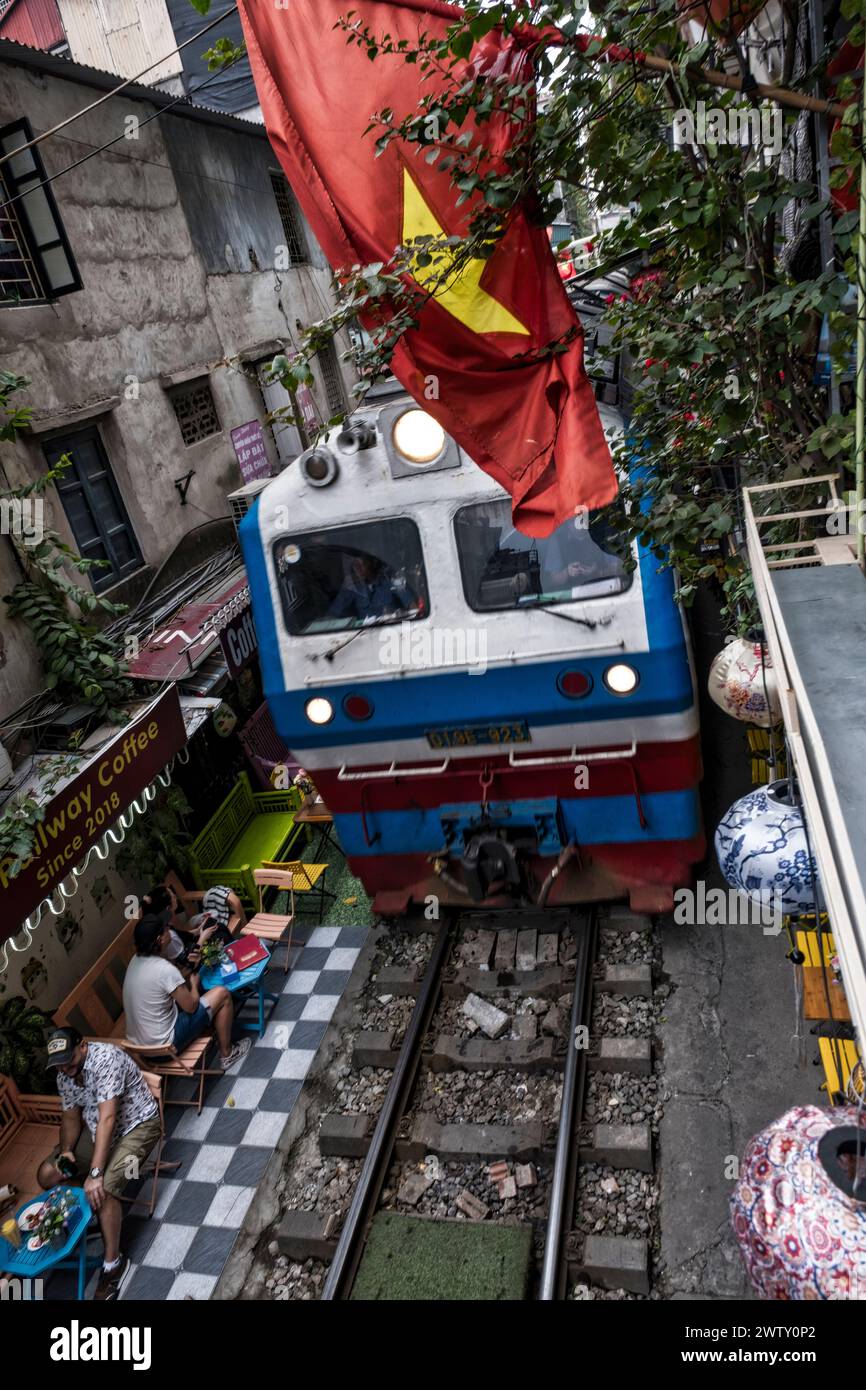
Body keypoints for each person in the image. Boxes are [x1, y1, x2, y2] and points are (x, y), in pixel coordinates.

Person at [37, 1027, 162, 1301]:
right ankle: (90, 1213)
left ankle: (113, 1265)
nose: (65, 1069)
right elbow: (71, 1118)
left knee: (103, 1187)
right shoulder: (65, 1074)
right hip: (99, 1132)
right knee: (48, 1174)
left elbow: (108, 1117)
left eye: (68, 1060)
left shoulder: (105, 1058)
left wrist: (94, 1172)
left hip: (137, 1127)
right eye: (59, 1065)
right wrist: (67, 1152)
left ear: (83, 1046)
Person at [122, 912, 250, 1070]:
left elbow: (170, 985)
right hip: (167, 1048)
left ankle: (213, 1030)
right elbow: (192, 1007)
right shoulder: (163, 969)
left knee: (188, 993)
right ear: (159, 939)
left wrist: (190, 969)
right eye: (166, 929)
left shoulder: (135, 961)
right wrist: (194, 985)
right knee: (222, 994)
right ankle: (227, 1053)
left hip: (143, 1049)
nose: (169, 929)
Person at [329, 554, 410, 622]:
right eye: (355, 565)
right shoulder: (353, 587)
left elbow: (410, 604)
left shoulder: (388, 580)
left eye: (363, 565)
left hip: (389, 628)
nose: (359, 569)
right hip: (363, 633)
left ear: (371, 564)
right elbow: (333, 613)